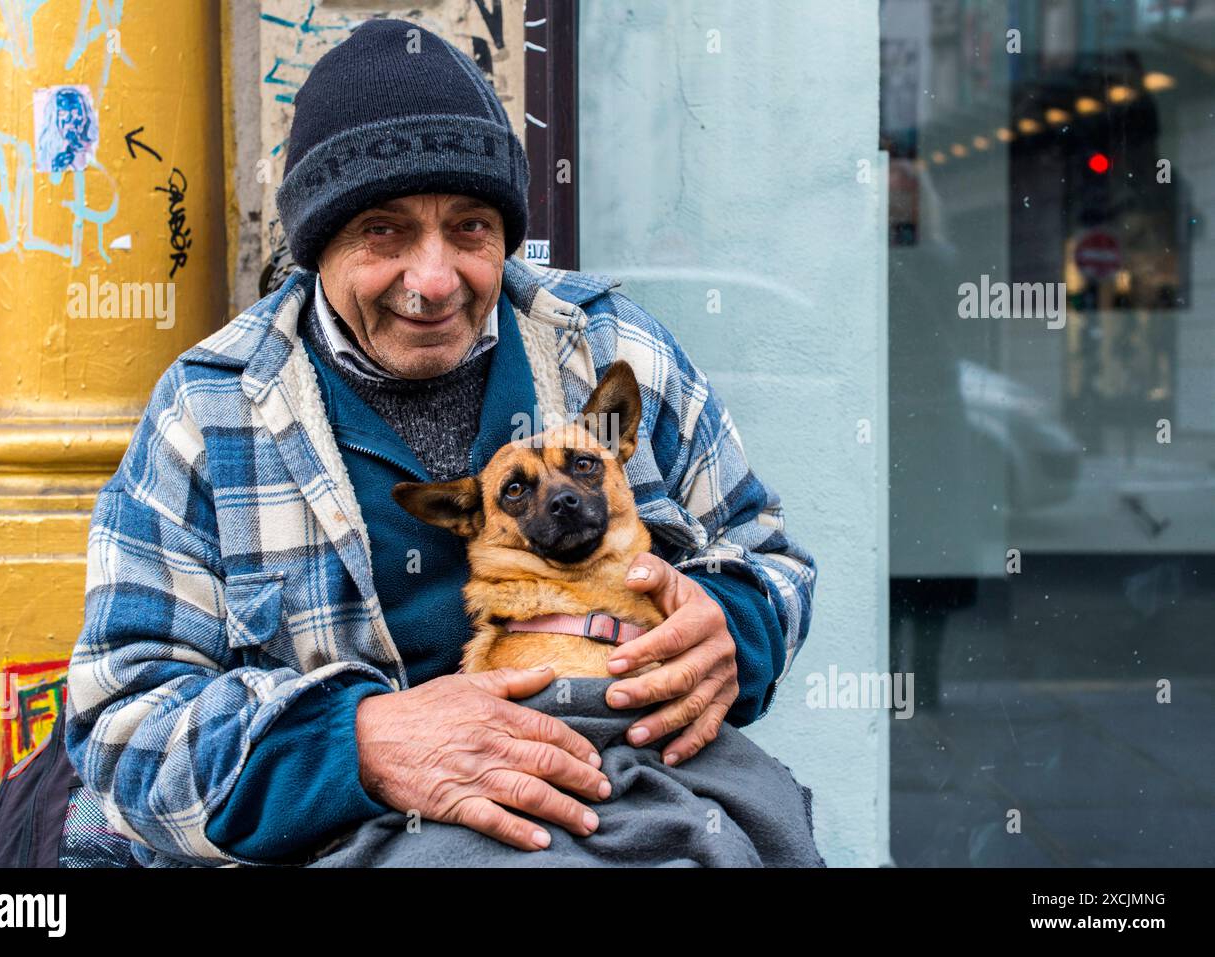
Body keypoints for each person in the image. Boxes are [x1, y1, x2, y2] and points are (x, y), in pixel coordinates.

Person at [64, 17, 817, 867]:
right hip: (352, 837)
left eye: (469, 229)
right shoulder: (210, 413)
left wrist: (736, 627)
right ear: (319, 249)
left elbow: (769, 556)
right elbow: (121, 721)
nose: (433, 282)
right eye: (382, 231)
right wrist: (359, 745)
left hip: (632, 797)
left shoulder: (610, 348)